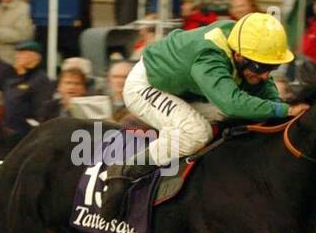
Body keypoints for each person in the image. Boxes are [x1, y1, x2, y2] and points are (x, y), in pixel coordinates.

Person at [101, 13, 305, 218]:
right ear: (239, 56)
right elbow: (232, 103)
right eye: (260, 68)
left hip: (184, 87)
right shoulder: (210, 56)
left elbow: (264, 91)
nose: (265, 75)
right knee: (197, 132)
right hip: (146, 85)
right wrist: (285, 110)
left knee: (240, 115)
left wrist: (279, 108)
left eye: (272, 68)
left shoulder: (248, 44)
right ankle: (124, 170)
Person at [2, 40, 57, 142]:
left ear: (35, 57)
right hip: (8, 133)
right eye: (17, 53)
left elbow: (42, 110)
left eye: (23, 54)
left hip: (26, 135)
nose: (17, 56)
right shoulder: (12, 79)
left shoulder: (40, 80)